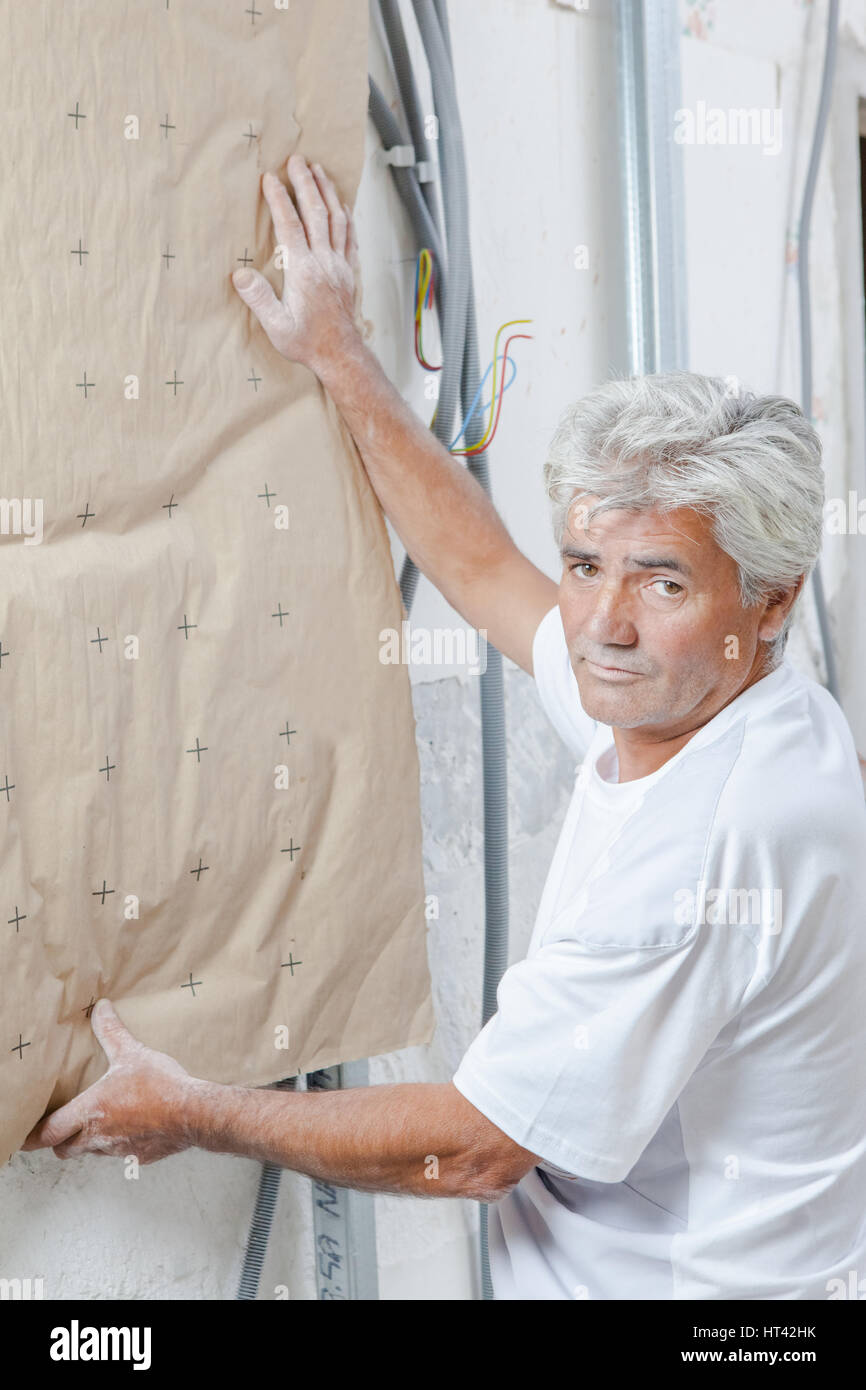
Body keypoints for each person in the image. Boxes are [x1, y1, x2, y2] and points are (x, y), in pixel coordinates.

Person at [23, 154, 866, 1301]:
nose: (601, 624)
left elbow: (476, 1146)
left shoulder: (705, 844)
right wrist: (338, 352)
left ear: (769, 599)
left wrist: (196, 1112)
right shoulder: (728, 698)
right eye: (586, 566)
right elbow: (485, 572)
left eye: (661, 582)